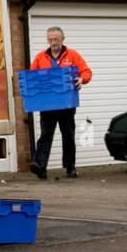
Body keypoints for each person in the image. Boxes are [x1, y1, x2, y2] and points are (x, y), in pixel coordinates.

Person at [29, 26, 92, 179]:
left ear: (63, 39)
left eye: (56, 39)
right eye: (50, 40)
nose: (53, 42)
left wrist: (81, 79)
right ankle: (40, 166)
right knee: (46, 134)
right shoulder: (40, 57)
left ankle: (70, 167)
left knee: (68, 135)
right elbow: (31, 76)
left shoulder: (73, 55)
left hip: (67, 103)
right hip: (47, 104)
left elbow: (87, 72)